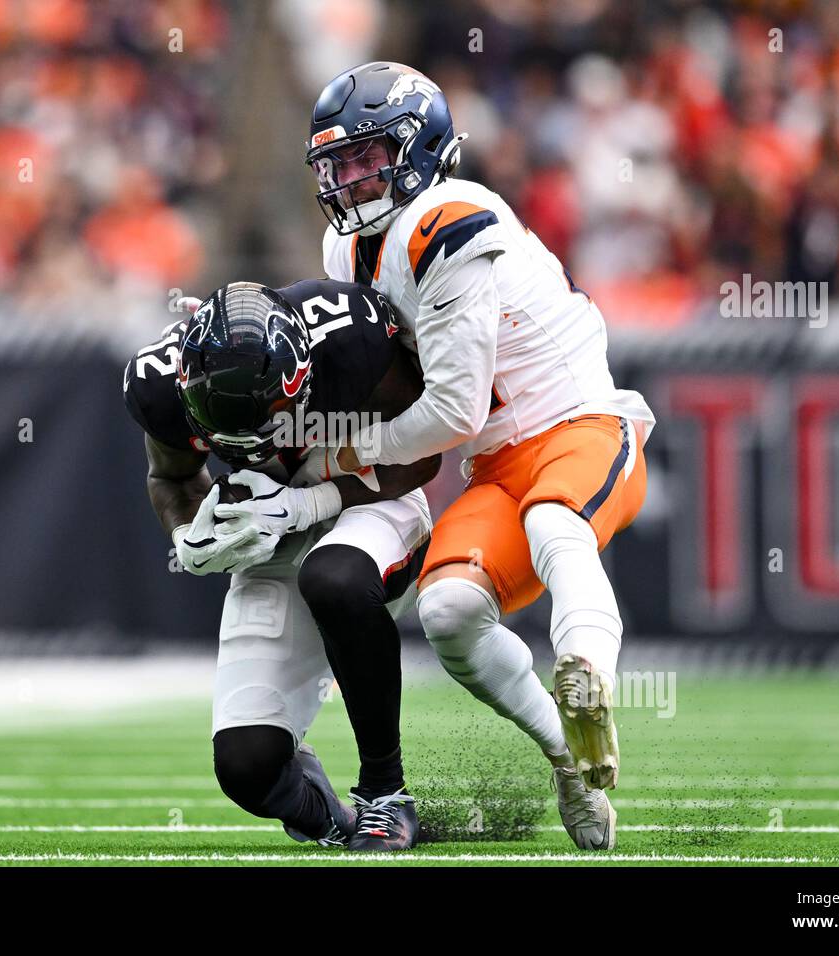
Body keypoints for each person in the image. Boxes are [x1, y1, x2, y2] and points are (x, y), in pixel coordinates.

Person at [300, 61, 659, 850]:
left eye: (368, 159)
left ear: (419, 150)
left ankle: (587, 671)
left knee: (555, 524)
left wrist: (347, 452)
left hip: (579, 424)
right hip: (498, 464)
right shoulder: (348, 248)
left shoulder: (449, 220)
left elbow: (452, 409)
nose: (351, 180)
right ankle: (569, 756)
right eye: (340, 163)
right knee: (449, 610)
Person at [124, 278, 438, 850]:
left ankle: (385, 795)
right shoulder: (160, 384)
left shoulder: (351, 340)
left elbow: (421, 455)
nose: (252, 446)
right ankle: (330, 819)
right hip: (271, 534)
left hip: (370, 499)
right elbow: (170, 478)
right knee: (247, 766)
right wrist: (190, 537)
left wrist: (305, 503)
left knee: (335, 578)